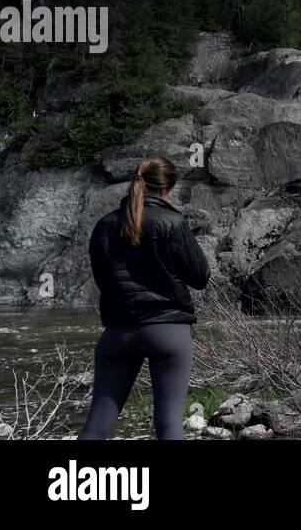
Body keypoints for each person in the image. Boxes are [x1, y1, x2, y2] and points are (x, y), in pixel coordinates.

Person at [79, 157, 210, 440]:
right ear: (168, 188)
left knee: (96, 427)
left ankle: (72, 483)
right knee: (169, 426)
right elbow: (200, 277)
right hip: (168, 331)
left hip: (118, 332)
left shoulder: (104, 225)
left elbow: (103, 281)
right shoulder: (173, 222)